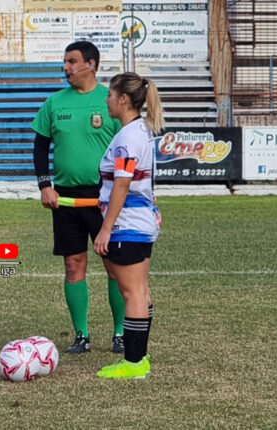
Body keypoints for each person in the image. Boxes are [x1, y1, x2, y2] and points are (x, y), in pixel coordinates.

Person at [31, 41, 126, 355]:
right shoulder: (54, 102)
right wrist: (45, 184)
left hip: (105, 197)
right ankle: (81, 336)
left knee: (114, 266)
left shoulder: (110, 101)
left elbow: (127, 150)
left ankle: (119, 333)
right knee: (74, 266)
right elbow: (41, 146)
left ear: (92, 64)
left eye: (72, 61)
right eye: (65, 61)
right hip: (66, 198)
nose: (66, 67)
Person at [94, 72, 163, 379]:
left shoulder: (129, 137)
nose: (106, 100)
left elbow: (122, 184)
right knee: (140, 291)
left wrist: (106, 228)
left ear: (123, 99)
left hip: (128, 224)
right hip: (140, 221)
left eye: (110, 94)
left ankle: (134, 363)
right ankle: (140, 358)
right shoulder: (139, 131)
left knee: (132, 293)